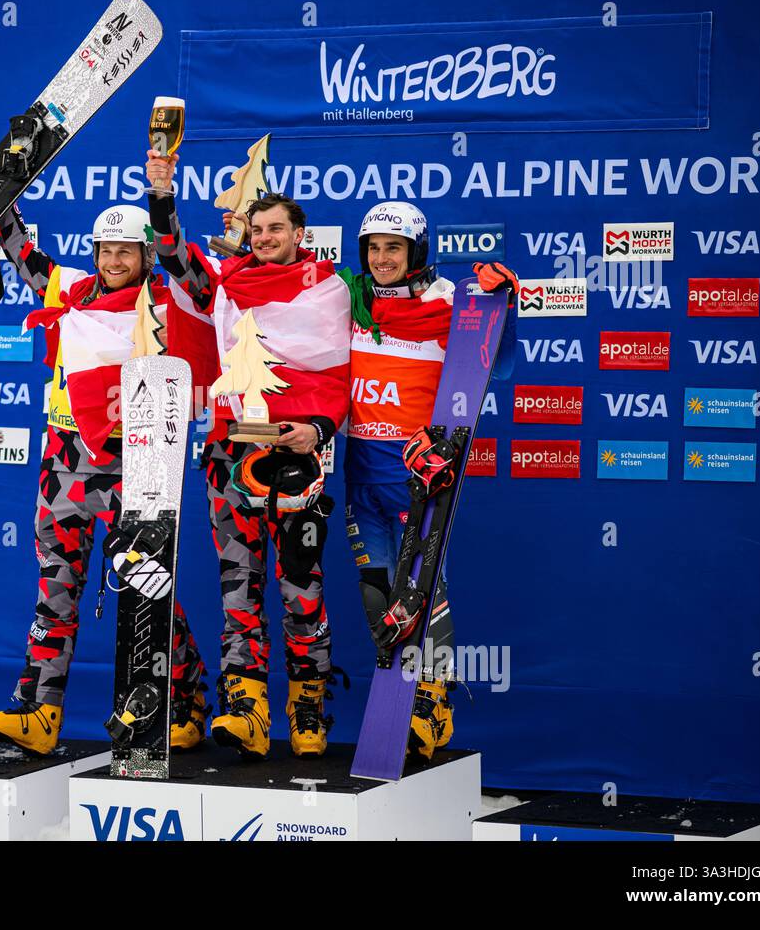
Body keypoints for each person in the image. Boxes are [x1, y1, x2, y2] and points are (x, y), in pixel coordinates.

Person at [0, 145, 208, 756]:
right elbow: (19, 247)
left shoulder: (165, 301)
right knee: (55, 589)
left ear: (144, 254)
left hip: (136, 466)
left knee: (146, 588)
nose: (113, 260)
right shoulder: (70, 289)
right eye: (105, 250)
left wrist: (163, 202)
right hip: (63, 468)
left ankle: (186, 695)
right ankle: (38, 711)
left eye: (126, 250)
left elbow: (194, 275)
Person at [144, 147, 350, 759]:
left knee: (301, 585)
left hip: (301, 455)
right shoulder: (225, 287)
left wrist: (319, 428)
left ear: (300, 235)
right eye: (255, 230)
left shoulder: (332, 290)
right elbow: (174, 255)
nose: (264, 238)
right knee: (240, 588)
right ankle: (247, 705)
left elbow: (341, 374)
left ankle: (307, 706)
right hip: (230, 458)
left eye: (276, 229)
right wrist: (162, 196)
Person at [338, 201, 517, 761]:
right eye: (373, 247)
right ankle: (400, 699)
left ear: (417, 251)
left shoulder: (447, 302)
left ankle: (432, 703)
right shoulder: (353, 301)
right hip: (362, 475)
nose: (382, 258)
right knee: (377, 595)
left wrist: (500, 305)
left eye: (394, 247)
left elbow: (501, 364)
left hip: (420, 479)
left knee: (420, 593)